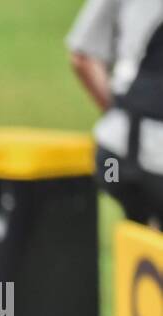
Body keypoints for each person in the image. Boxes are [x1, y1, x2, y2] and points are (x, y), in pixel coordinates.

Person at [68, 0, 163, 226]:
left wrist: (119, 111)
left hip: (113, 159)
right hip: (155, 162)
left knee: (141, 222)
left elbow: (82, 58)